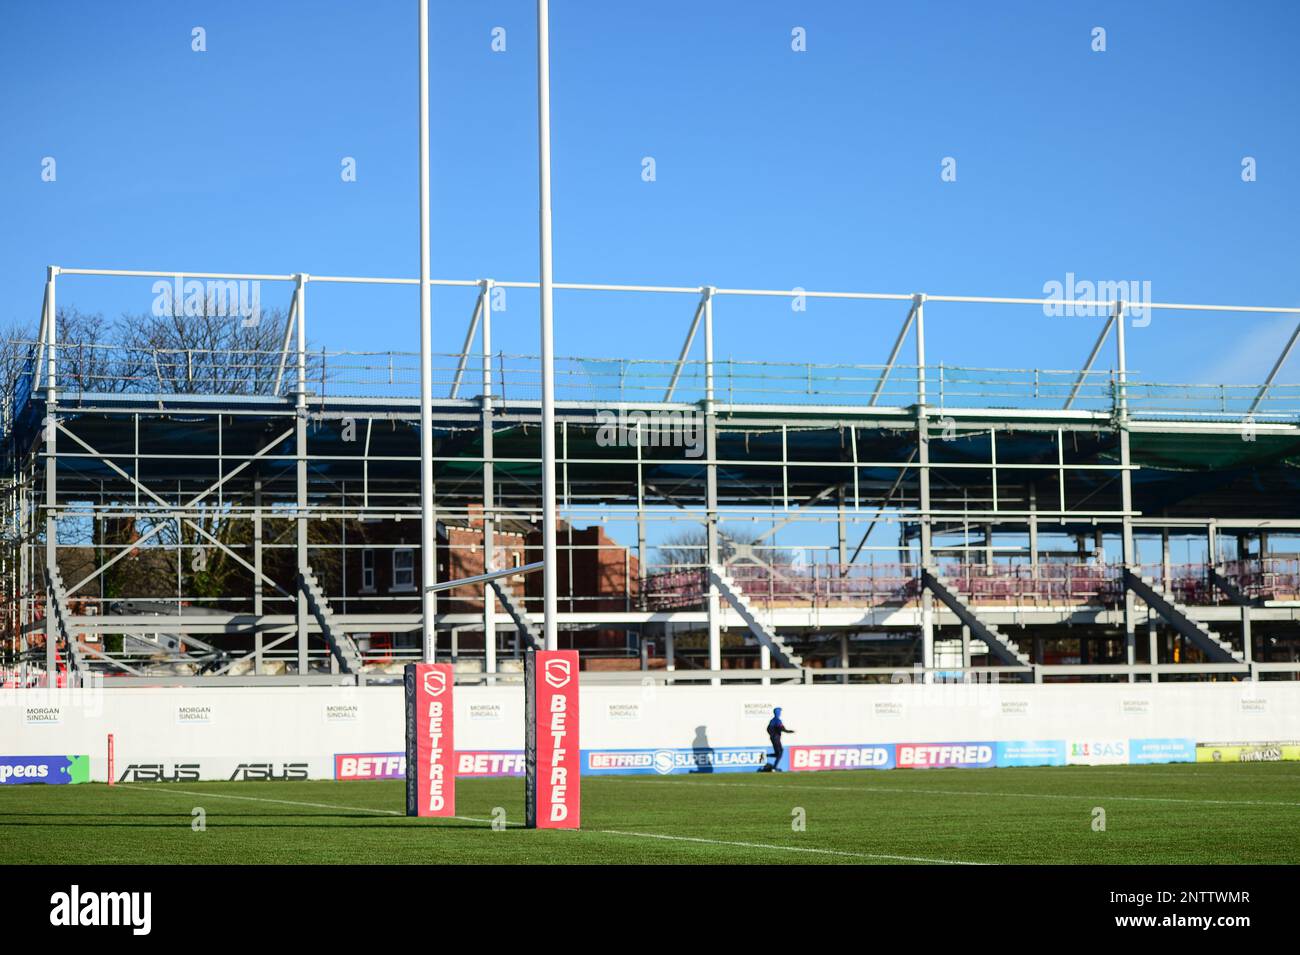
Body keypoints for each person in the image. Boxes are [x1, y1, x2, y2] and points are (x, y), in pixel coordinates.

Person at [760, 707, 794, 772]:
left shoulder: (772, 721)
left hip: (773, 738)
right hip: (776, 739)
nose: (780, 713)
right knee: (780, 752)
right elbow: (782, 728)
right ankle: (774, 768)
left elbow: (768, 729)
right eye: (780, 712)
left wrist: (771, 735)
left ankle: (765, 755)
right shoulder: (778, 720)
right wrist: (788, 731)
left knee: (777, 754)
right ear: (778, 713)